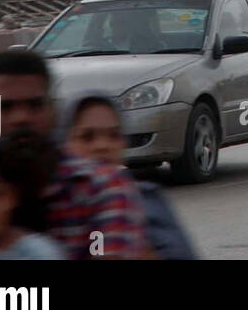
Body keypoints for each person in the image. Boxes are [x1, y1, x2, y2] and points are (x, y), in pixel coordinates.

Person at [0, 50, 149, 259]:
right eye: (5, 107)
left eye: (34, 105)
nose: (21, 118)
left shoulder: (100, 187)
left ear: (53, 110)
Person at [64, 94, 198, 260]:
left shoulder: (146, 202)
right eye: (87, 137)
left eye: (114, 135)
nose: (102, 145)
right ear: (65, 145)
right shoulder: (53, 204)